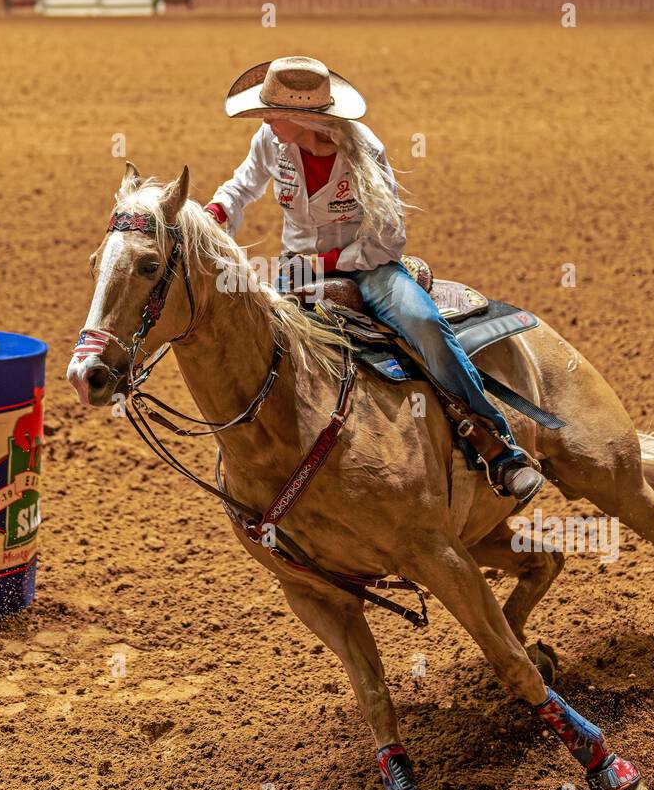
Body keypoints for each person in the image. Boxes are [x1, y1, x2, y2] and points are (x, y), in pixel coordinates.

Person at [203, 55, 545, 503]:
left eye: (271, 111)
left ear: (302, 118)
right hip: (297, 265)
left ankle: (498, 447)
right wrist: (213, 214)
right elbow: (242, 186)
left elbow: (388, 239)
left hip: (370, 266)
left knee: (423, 324)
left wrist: (325, 262)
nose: (264, 119)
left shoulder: (362, 150)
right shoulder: (271, 141)